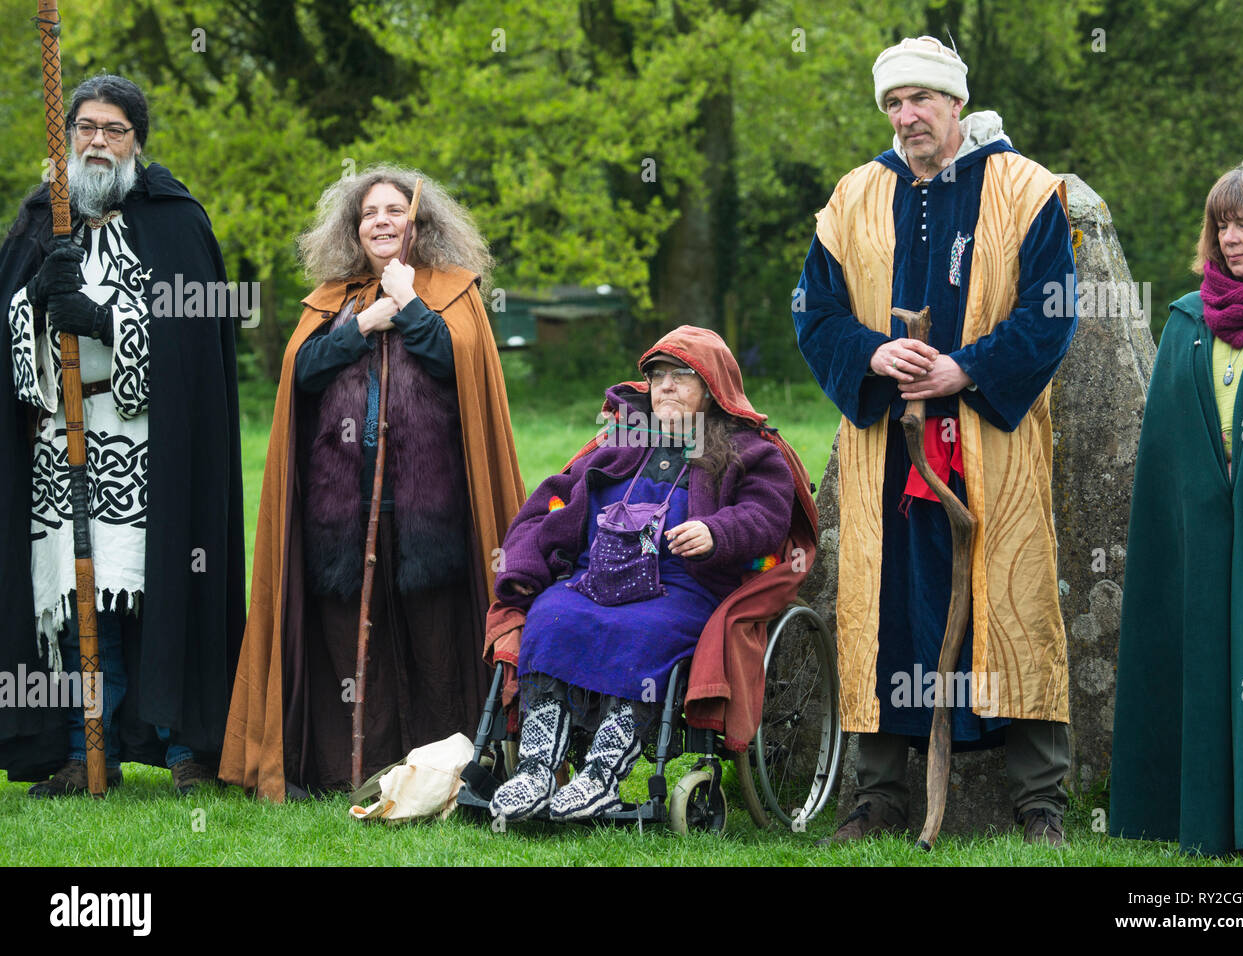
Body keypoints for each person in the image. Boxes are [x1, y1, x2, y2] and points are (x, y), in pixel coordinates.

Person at [792, 36, 1077, 845]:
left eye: (921, 98)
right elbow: (814, 313)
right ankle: (879, 794)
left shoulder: (1025, 189)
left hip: (992, 437)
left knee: (1010, 598)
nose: (907, 115)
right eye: (893, 103)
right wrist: (872, 353)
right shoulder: (854, 197)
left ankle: (1040, 800)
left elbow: (1053, 310)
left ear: (955, 102)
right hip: (887, 442)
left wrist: (965, 370)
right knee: (884, 607)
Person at [220, 165, 526, 799]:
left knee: (432, 633)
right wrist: (363, 323)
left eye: (394, 211)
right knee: (348, 637)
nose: (381, 221)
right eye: (369, 214)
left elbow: (450, 362)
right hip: (342, 501)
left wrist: (409, 305)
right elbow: (302, 375)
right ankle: (347, 768)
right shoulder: (332, 300)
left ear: (420, 223)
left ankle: (446, 769)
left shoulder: (452, 292)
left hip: (430, 502)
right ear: (352, 230)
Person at [0, 74, 244, 796]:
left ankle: (182, 748)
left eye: (115, 129)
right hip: (61, 439)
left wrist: (104, 322)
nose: (98, 141)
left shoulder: (174, 218)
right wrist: (37, 306)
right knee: (78, 596)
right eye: (85, 127)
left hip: (151, 445)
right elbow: (8, 325)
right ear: (67, 135)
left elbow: (198, 334)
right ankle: (83, 747)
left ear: (138, 141)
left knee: (162, 583)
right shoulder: (38, 220)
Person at [487, 326, 797, 820]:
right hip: (594, 578)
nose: (666, 386)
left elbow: (768, 515)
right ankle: (537, 768)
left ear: (714, 388)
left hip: (682, 587)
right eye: (657, 377)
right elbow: (554, 499)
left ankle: (601, 775)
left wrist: (717, 532)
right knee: (550, 616)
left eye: (682, 376)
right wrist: (526, 562)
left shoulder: (751, 452)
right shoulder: (622, 441)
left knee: (643, 631)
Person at [1111, 158, 1243, 855]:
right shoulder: (1190, 321)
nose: (1230, 237)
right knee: (1200, 654)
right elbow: (1167, 443)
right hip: (1200, 523)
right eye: (1222, 223)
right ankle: (1195, 813)